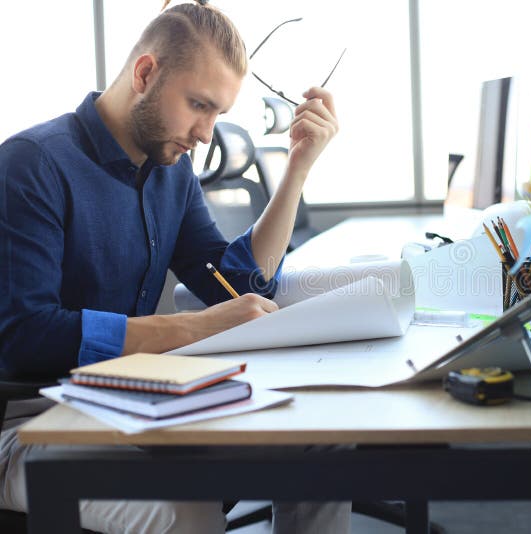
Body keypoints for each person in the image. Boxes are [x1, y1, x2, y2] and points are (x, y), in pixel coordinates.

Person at [0, 1, 349, 532]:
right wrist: (194, 328)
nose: (207, 133)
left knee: (326, 436)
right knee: (187, 512)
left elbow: (230, 286)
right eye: (199, 105)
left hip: (132, 403)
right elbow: (27, 337)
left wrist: (298, 167)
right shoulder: (33, 164)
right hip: (28, 424)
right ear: (146, 73)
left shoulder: (170, 173)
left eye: (218, 115)